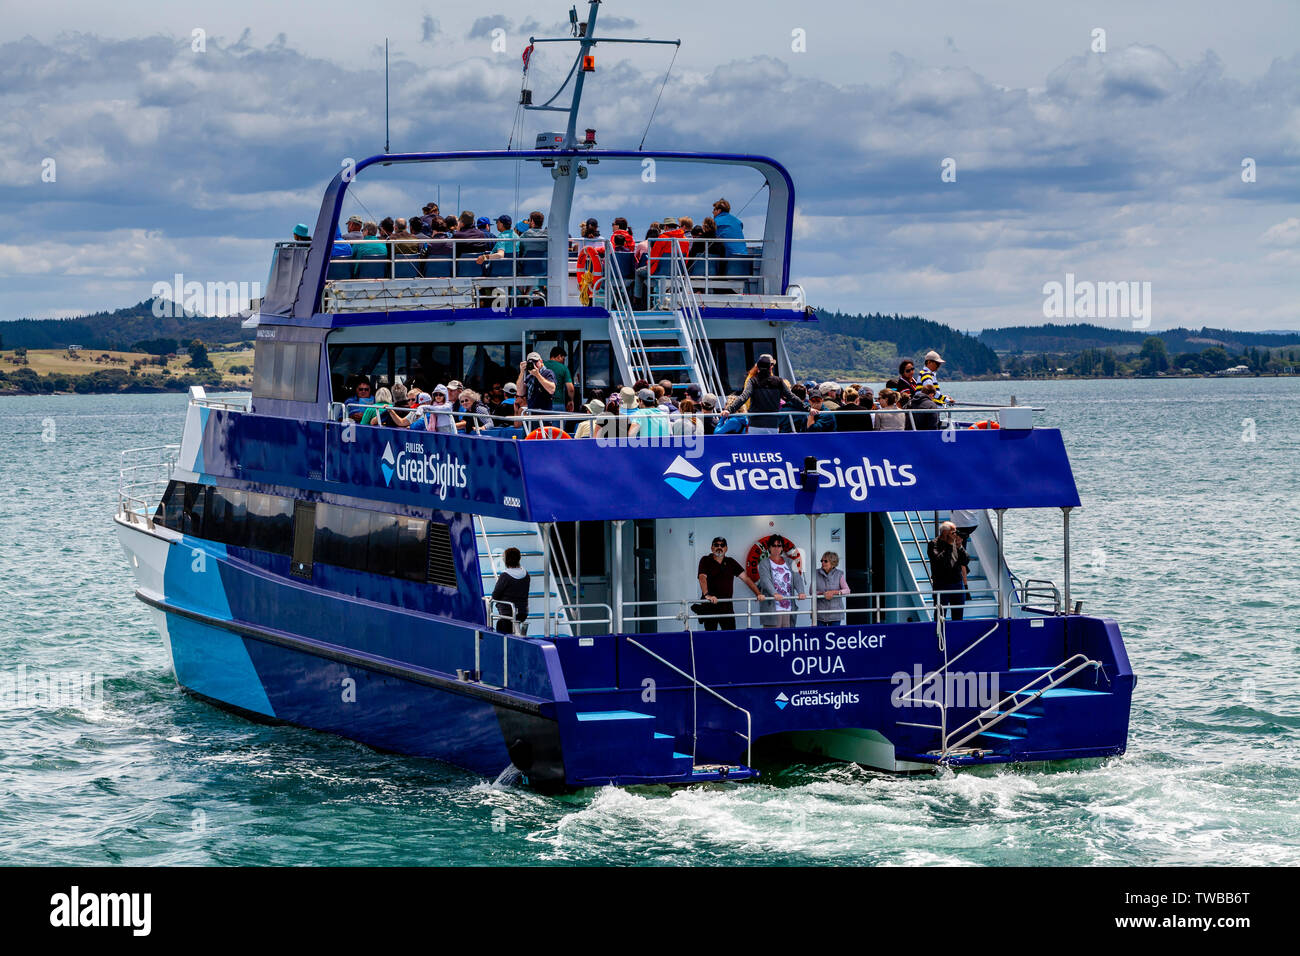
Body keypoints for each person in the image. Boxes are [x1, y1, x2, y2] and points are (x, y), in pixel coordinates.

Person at [721, 353, 809, 435]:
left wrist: (729, 409)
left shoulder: (753, 381)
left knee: (755, 450)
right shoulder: (778, 381)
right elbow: (792, 397)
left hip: (755, 425)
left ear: (758, 368)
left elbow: (743, 397)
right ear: (770, 368)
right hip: (773, 426)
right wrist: (808, 409)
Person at [696, 537, 761, 631]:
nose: (719, 547)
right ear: (712, 547)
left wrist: (758, 593)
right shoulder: (705, 560)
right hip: (710, 606)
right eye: (716, 545)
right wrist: (707, 595)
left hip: (727, 608)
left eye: (722, 545)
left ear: (726, 548)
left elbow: (746, 578)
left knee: (730, 637)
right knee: (710, 638)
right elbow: (702, 577)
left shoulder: (731, 562)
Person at [757, 538, 807, 628]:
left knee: (786, 638)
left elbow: (797, 579)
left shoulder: (790, 562)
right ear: (769, 548)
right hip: (772, 607)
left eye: (779, 546)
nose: (776, 548)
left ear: (782, 548)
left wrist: (801, 592)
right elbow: (765, 580)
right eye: (774, 546)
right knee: (771, 639)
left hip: (788, 607)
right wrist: (774, 593)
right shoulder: (764, 563)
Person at [928, 521, 969, 621]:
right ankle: (939, 635)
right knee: (940, 616)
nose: (956, 534)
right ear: (945, 533)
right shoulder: (933, 544)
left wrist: (960, 547)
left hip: (957, 584)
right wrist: (949, 545)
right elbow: (940, 561)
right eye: (953, 532)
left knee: (958, 617)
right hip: (941, 584)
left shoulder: (956, 544)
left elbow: (965, 560)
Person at [491, 547, 530, 635]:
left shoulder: (505, 576)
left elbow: (495, 595)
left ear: (506, 560)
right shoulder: (526, 574)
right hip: (522, 612)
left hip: (507, 612)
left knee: (501, 627)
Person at [815, 551, 850, 625]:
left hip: (835, 614)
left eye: (825, 561)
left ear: (833, 563)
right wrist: (823, 593)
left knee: (835, 635)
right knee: (820, 635)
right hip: (820, 613)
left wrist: (834, 592)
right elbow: (812, 591)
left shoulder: (839, 574)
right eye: (822, 560)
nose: (822, 563)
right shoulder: (816, 573)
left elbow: (847, 590)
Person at [543, 346, 575, 412]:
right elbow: (571, 389)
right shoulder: (563, 368)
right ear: (559, 356)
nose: (563, 362)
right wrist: (571, 400)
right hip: (558, 404)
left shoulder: (542, 366)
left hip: (543, 404)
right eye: (563, 359)